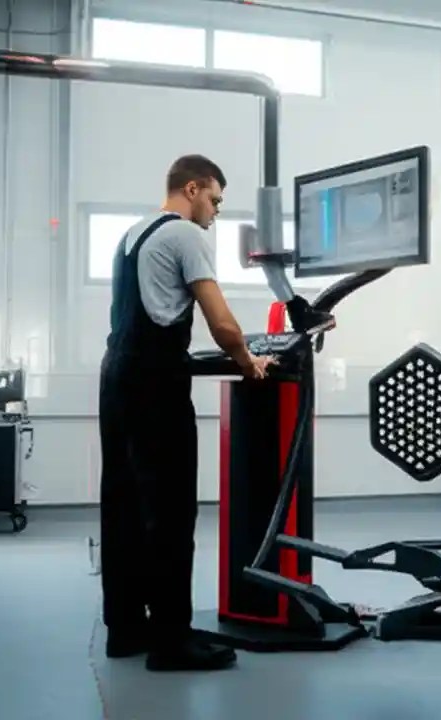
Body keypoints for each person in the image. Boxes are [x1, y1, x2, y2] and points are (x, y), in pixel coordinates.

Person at [98, 154, 275, 672]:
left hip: (117, 378)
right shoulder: (185, 235)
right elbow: (222, 323)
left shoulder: (132, 234)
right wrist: (248, 362)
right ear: (192, 188)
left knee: (125, 507)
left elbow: (144, 315)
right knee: (172, 512)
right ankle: (172, 641)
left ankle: (126, 628)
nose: (216, 211)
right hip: (155, 387)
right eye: (216, 200)